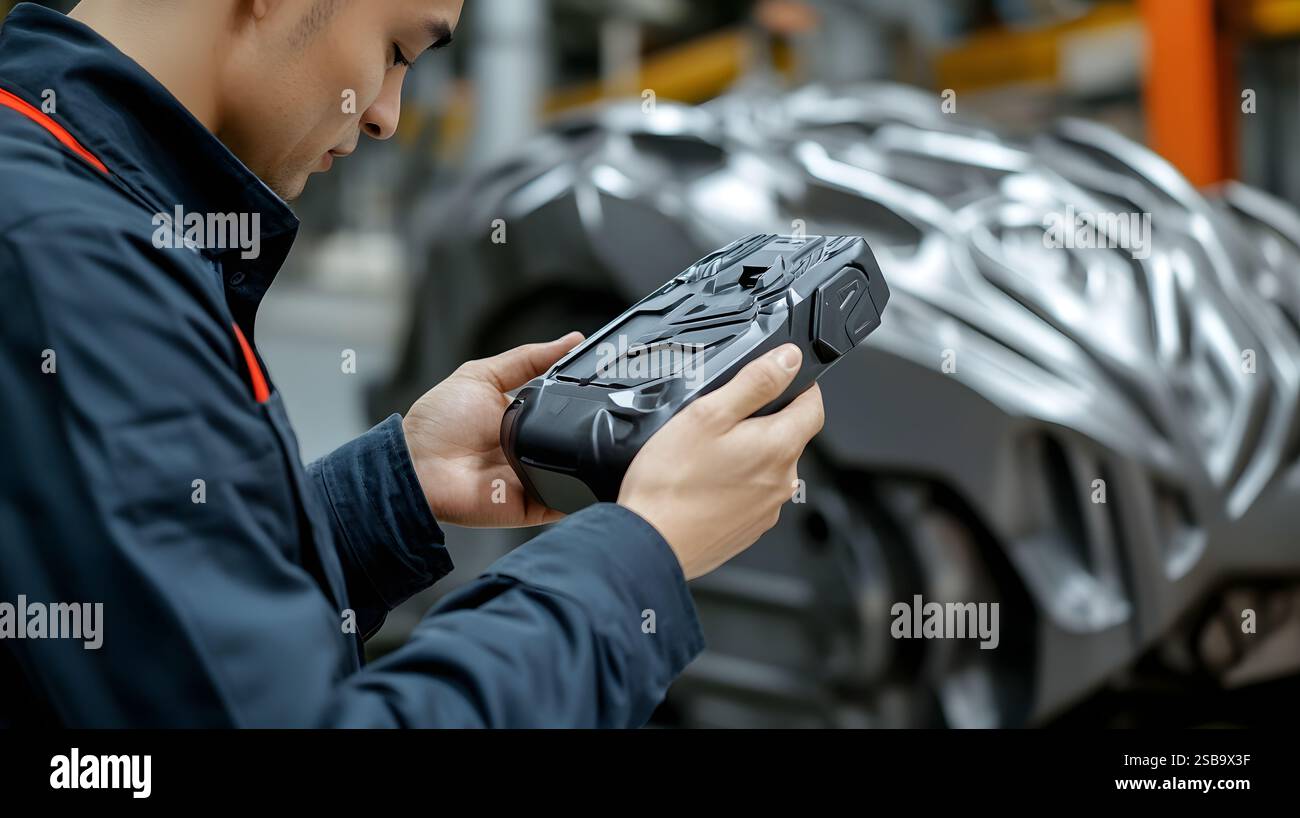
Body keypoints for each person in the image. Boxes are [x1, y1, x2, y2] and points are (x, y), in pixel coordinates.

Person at [0, 0, 824, 727]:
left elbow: (143, 642)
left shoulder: (67, 206)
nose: (388, 115)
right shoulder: (81, 268)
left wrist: (390, 493)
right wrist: (641, 555)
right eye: (396, 52)